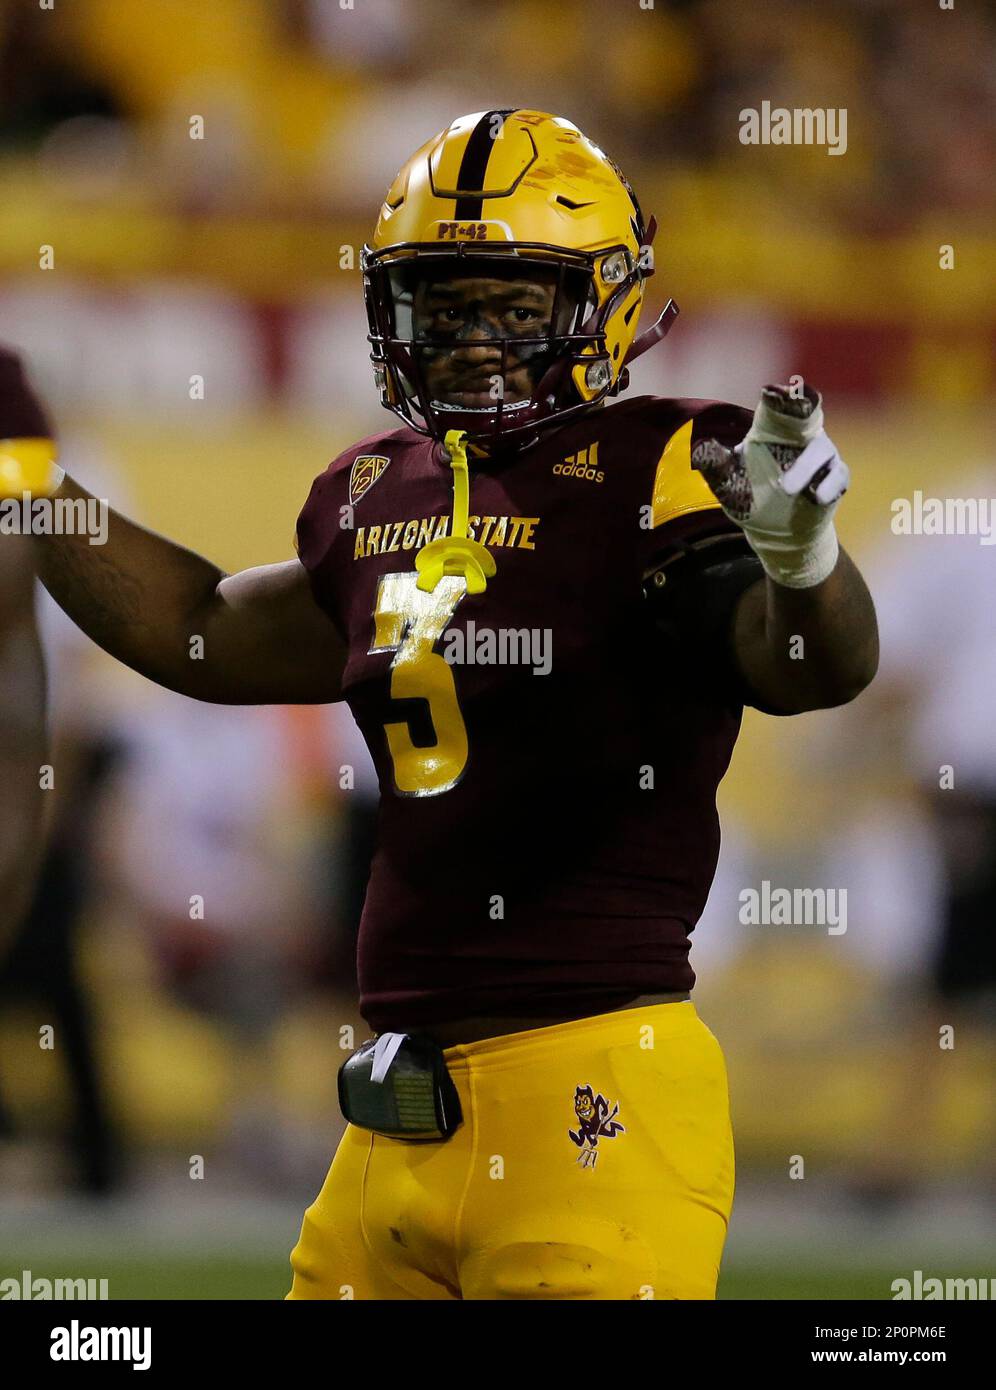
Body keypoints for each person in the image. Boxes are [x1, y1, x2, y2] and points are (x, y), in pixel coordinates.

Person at [28, 109, 878, 1299]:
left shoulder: (663, 465)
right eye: (446, 303)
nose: (477, 341)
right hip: (393, 1115)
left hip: (596, 1093)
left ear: (606, 302)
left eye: (516, 306)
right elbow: (206, 629)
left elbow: (807, 667)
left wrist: (808, 569)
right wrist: (27, 483)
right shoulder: (372, 492)